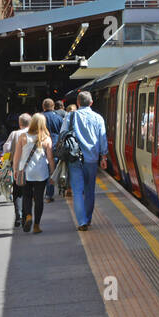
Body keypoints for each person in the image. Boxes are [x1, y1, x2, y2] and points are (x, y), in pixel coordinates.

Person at [66, 91, 108, 231]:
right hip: (91, 159)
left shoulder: (70, 116)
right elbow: (102, 139)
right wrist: (104, 156)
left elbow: (63, 134)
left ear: (78, 103)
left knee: (77, 191)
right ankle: (88, 219)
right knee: (90, 190)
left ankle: (82, 221)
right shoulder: (98, 118)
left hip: (74, 158)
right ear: (91, 103)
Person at [13, 113, 54, 233]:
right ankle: (36, 226)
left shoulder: (23, 137)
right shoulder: (46, 138)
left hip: (26, 172)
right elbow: (50, 158)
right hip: (41, 173)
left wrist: (15, 170)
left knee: (26, 196)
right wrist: (52, 173)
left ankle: (28, 216)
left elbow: (16, 157)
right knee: (39, 198)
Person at [4, 113, 31, 226]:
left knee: (17, 193)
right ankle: (26, 216)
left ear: (20, 123)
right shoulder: (33, 133)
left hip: (17, 167)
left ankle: (18, 216)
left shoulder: (14, 134)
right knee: (28, 193)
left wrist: (6, 159)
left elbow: (6, 148)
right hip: (30, 168)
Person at [42, 98, 65, 202]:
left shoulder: (39, 118)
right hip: (55, 147)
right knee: (52, 171)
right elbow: (63, 133)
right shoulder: (59, 118)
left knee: (41, 170)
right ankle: (49, 195)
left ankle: (37, 193)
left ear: (43, 106)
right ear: (53, 107)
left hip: (41, 147)